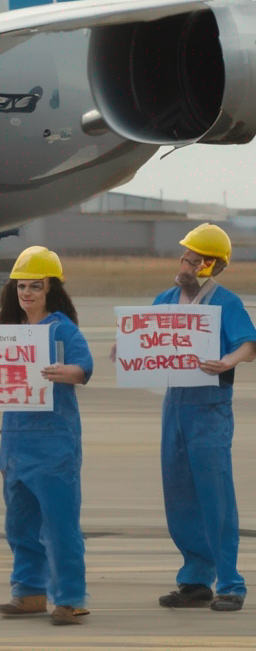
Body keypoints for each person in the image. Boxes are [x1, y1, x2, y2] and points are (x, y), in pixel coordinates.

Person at [0, 246, 92, 626]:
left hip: (53, 442)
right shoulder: (6, 334)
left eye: (35, 286)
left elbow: (85, 368)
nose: (27, 294)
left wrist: (62, 372)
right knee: (19, 523)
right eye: (21, 287)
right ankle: (29, 591)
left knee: (60, 523)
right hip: (16, 441)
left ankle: (70, 597)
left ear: (51, 288)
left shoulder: (63, 329)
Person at [128, 224, 256, 612]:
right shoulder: (166, 299)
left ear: (209, 265)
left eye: (192, 259)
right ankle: (196, 579)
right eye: (184, 257)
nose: (184, 263)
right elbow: (143, 337)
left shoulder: (226, 303)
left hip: (209, 407)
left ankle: (231, 583)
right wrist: (125, 346)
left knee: (215, 496)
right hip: (176, 406)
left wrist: (227, 362)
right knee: (180, 494)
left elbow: (248, 344)